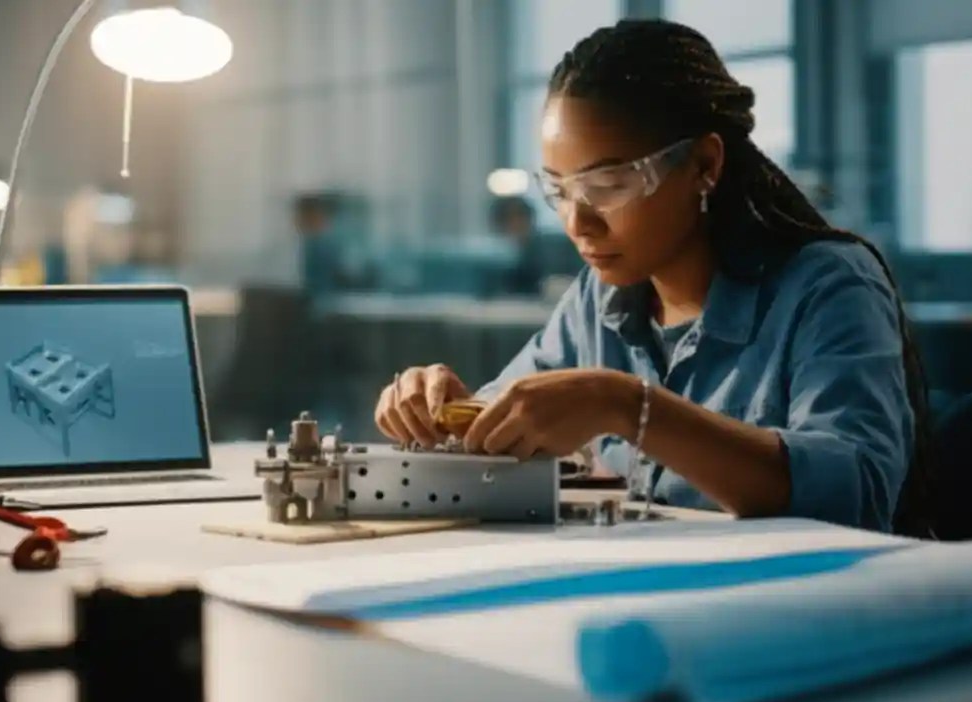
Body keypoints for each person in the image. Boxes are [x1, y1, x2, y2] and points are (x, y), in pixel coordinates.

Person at [373, 19, 932, 536]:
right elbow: (515, 417)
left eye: (609, 185)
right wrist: (443, 412)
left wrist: (627, 404)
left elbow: (856, 498)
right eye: (561, 191)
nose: (578, 223)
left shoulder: (829, 287)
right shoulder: (600, 298)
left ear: (704, 166)